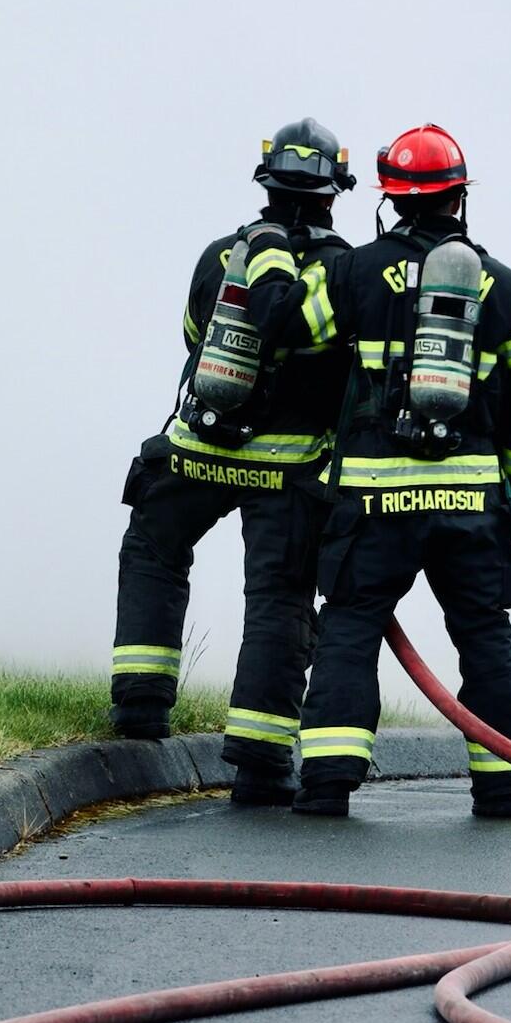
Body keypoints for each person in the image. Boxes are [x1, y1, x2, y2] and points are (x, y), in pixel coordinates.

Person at [245, 122, 511, 818]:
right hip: (468, 498)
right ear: (459, 198)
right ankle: (501, 780)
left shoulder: (353, 271)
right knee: (483, 630)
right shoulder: (500, 284)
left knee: (351, 623)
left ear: (389, 199)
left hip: (374, 501)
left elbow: (285, 326)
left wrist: (266, 252)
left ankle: (326, 778)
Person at [109, 117, 355, 807]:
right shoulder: (342, 270)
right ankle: (258, 758)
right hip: (287, 469)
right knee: (277, 599)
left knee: (153, 550)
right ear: (334, 192)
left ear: (266, 184)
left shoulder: (221, 254)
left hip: (199, 454)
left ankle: (139, 707)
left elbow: (194, 338)